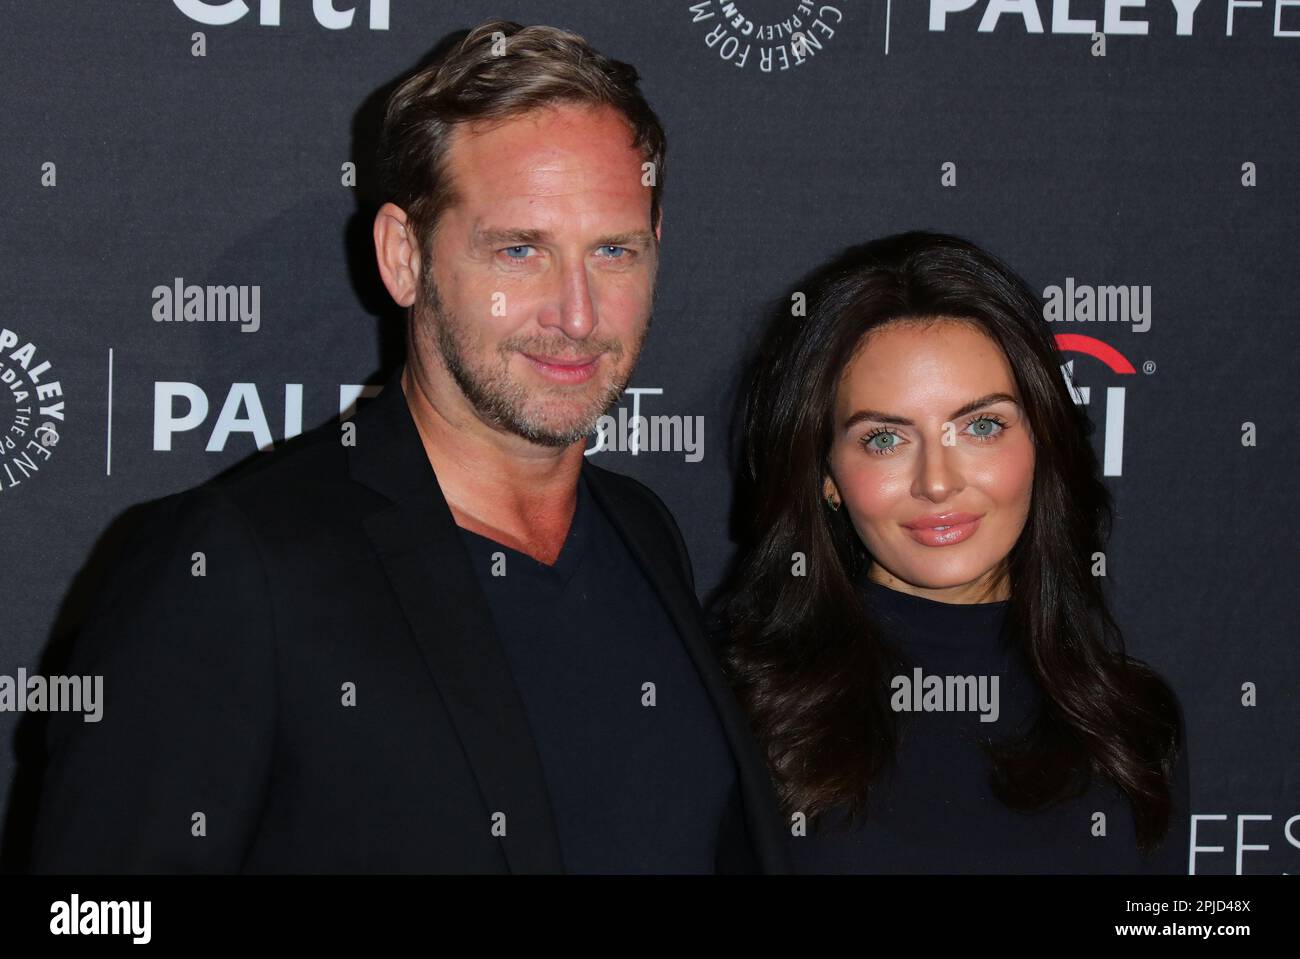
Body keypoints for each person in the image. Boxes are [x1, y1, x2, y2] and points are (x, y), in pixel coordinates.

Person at [29, 19, 789, 874]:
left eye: (614, 250)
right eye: (519, 251)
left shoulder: (640, 530)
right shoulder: (233, 567)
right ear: (404, 257)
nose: (578, 314)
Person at [716, 231, 1189, 873]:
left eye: (982, 426)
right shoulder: (735, 707)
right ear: (826, 475)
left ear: (1042, 444)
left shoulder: (1130, 720)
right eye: (884, 439)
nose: (936, 482)